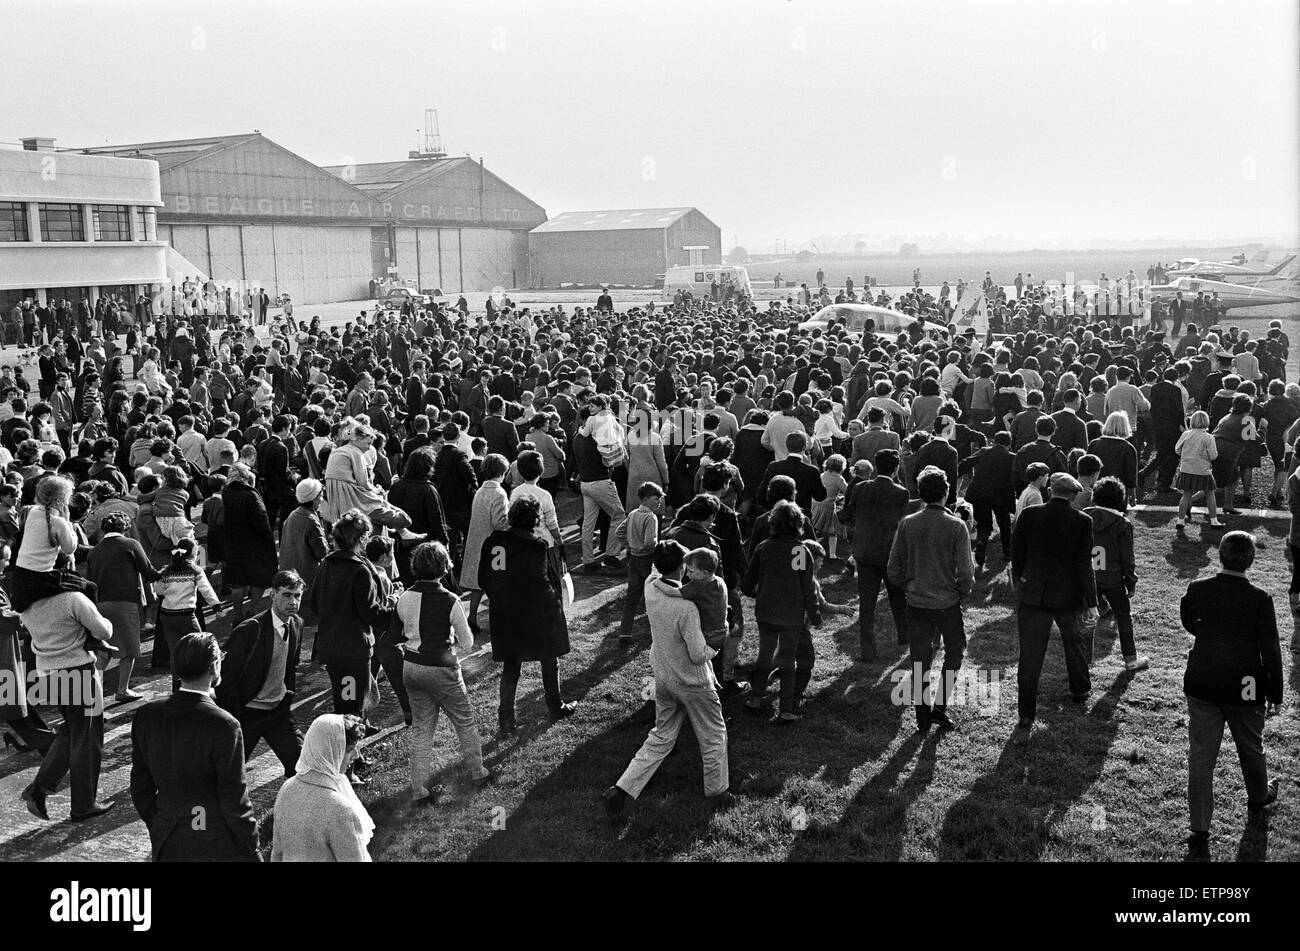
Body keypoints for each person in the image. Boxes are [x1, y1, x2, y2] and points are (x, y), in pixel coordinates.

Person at [603, 540, 731, 822]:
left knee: (660, 736)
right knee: (713, 735)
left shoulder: (651, 586)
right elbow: (699, 655)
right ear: (683, 566)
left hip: (664, 675)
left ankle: (621, 789)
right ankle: (718, 791)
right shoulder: (687, 608)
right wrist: (718, 645)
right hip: (693, 681)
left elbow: (653, 570)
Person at [1180, 531, 1283, 853]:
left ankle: (1199, 827)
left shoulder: (1197, 589)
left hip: (1204, 681)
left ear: (1220, 555)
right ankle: (1258, 796)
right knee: (1251, 746)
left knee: (1201, 756)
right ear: (1250, 560)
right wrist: (1275, 692)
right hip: (1246, 684)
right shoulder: (1260, 598)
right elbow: (1271, 648)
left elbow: (1189, 622)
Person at [129, 632, 260, 861]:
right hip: (214, 844)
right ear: (214, 666)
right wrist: (252, 846)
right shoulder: (225, 725)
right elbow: (234, 798)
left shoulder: (146, 715)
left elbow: (140, 786)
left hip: (167, 838)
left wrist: (161, 822)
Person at [397, 541, 492, 804]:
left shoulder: (404, 597)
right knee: (464, 721)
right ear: (444, 567)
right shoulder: (450, 600)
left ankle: (419, 789)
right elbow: (468, 643)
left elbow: (396, 634)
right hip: (441, 668)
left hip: (411, 667)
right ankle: (477, 771)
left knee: (421, 728)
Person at [18, 579, 116, 822]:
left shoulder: (28, 606)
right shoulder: (73, 600)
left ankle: (39, 789)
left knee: (71, 731)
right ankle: (83, 804)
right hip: (78, 671)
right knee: (88, 738)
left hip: (48, 674)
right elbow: (104, 631)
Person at [478, 495, 576, 736]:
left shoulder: (494, 542)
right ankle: (555, 706)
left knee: (511, 666)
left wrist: (501, 598)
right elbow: (540, 583)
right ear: (534, 520)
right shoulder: (536, 546)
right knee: (549, 657)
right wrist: (554, 602)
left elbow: (485, 578)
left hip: (504, 613)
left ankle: (506, 721)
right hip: (532, 613)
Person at [887, 467, 974, 732]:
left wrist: (910, 587)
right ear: (947, 493)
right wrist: (961, 592)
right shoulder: (956, 526)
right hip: (947, 603)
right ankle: (940, 706)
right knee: (955, 653)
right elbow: (966, 572)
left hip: (916, 602)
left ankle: (923, 716)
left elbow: (893, 568)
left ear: (921, 494)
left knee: (920, 660)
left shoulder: (908, 523)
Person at [1011, 472, 1097, 730]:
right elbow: (1085, 564)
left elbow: (1018, 553)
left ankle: (1026, 712)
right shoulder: (1083, 521)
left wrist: (1022, 582)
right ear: (1073, 495)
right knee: (1074, 642)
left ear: (1050, 491)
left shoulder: (1029, 515)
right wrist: (1092, 601)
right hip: (1069, 595)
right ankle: (1080, 689)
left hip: (1033, 593)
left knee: (1030, 654)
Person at [215, 571, 307, 781]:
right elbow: (224, 679)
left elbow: (291, 666)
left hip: (278, 712)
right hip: (247, 714)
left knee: (303, 767)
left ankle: (295, 811)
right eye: (287, 595)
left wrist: (287, 696)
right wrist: (234, 716)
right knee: (228, 776)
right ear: (273, 594)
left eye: (297, 595)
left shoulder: (297, 624)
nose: (293, 601)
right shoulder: (250, 630)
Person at [311, 511, 397, 725]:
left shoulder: (326, 564)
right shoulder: (360, 570)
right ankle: (351, 754)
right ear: (360, 539)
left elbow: (314, 603)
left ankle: (355, 742)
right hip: (352, 650)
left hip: (330, 646)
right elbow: (371, 613)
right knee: (350, 707)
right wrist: (394, 607)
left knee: (349, 700)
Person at [741, 500, 821, 722]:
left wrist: (761, 593)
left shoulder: (764, 547)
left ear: (773, 523)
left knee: (764, 654)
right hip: (791, 614)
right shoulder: (799, 551)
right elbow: (807, 589)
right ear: (798, 524)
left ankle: (756, 696)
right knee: (787, 658)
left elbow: (747, 584)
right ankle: (787, 708)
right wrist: (814, 615)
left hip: (766, 611)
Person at [271, 714, 374, 862]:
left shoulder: (286, 789)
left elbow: (277, 853)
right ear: (331, 750)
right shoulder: (340, 809)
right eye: (351, 749)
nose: (357, 755)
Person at [840, 448, 910, 660]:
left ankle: (867, 650)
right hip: (889, 553)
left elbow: (849, 515)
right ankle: (905, 636)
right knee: (898, 598)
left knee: (867, 604)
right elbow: (902, 524)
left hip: (864, 551)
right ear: (896, 468)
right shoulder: (901, 492)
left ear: (876, 466)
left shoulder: (861, 487)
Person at [86, 511, 162, 701]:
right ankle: (122, 690)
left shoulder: (94, 550)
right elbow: (149, 573)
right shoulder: (130, 545)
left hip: (99, 605)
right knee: (129, 649)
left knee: (103, 651)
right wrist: (166, 571)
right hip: (125, 603)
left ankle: (92, 693)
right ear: (126, 527)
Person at [1083, 477, 1148, 672]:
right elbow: (1127, 557)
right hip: (1112, 578)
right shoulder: (1122, 523)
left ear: (1095, 495)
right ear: (1120, 498)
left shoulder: (1082, 516)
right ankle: (1130, 659)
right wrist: (1131, 581)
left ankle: (1084, 661)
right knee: (1123, 617)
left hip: (1088, 576)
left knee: (1087, 618)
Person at [221, 463, 278, 623]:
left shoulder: (227, 492)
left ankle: (237, 614)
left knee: (238, 582)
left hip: (234, 541)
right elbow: (262, 521)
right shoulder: (250, 495)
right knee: (259, 578)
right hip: (255, 542)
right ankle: (252, 610)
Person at [459, 453, 509, 633]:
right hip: (496, 546)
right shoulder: (499, 493)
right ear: (502, 472)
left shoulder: (480, 491)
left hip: (477, 540)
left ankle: (472, 615)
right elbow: (499, 523)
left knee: (477, 585)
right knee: (498, 583)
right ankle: (499, 621)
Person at [617, 480, 663, 642]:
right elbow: (650, 542)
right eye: (656, 498)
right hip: (647, 559)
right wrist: (655, 551)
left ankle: (625, 632)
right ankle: (657, 632)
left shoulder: (632, 514)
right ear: (645, 500)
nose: (659, 501)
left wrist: (629, 547)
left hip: (633, 559)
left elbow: (619, 532)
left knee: (632, 597)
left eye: (660, 499)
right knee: (654, 596)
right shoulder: (651, 517)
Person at [278, 478, 328, 627]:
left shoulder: (293, 515)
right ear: (313, 498)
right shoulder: (310, 520)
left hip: (290, 571)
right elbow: (321, 551)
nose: (322, 499)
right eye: (320, 496)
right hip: (307, 574)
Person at [1174, 411, 1221, 528]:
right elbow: (1213, 456)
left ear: (1192, 421)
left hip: (1187, 469)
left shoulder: (1186, 434)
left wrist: (1185, 455)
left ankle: (1180, 521)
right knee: (1210, 493)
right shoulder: (1209, 437)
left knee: (1186, 494)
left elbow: (1177, 449)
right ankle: (1214, 521)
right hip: (1203, 470)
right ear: (1206, 422)